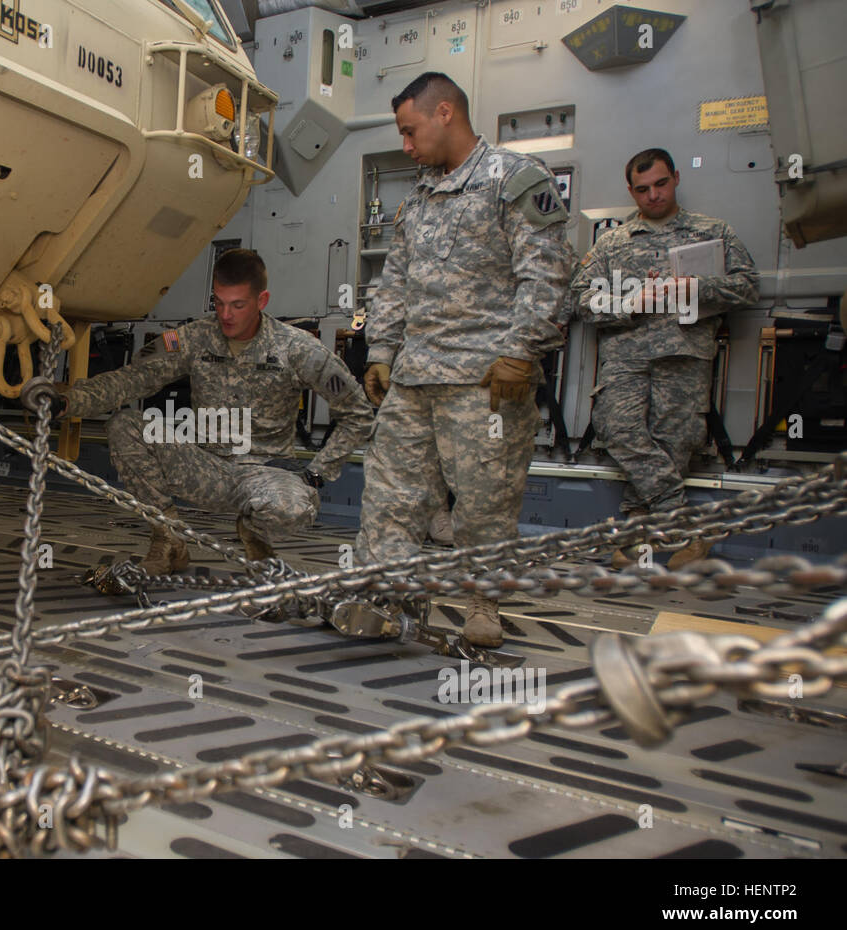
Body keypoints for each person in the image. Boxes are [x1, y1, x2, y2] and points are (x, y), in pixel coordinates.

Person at [355, 72, 572, 648]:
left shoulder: (515, 180)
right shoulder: (418, 197)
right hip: (415, 374)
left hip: (486, 380)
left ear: (444, 111)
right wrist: (381, 350)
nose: (406, 146)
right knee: (390, 494)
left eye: (410, 130)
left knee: (484, 503)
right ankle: (389, 593)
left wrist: (521, 351)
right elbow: (394, 280)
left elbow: (546, 272)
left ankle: (483, 601)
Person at [44, 248, 374, 573]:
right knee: (125, 426)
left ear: (262, 301)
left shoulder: (298, 349)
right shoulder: (192, 338)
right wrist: (71, 401)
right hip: (204, 468)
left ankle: (255, 534)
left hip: (265, 472)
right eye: (219, 303)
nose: (226, 315)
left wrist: (318, 473)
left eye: (238, 305)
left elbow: (358, 413)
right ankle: (168, 537)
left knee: (290, 509)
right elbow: (133, 379)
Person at [571, 148, 759, 568]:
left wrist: (697, 287)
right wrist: (633, 300)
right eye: (642, 189)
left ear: (675, 178)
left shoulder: (711, 232)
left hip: (685, 355)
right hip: (626, 357)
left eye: (660, 184)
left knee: (672, 447)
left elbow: (748, 287)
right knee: (616, 429)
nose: (653, 195)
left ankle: (635, 542)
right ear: (631, 191)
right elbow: (580, 301)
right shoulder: (613, 243)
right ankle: (691, 528)